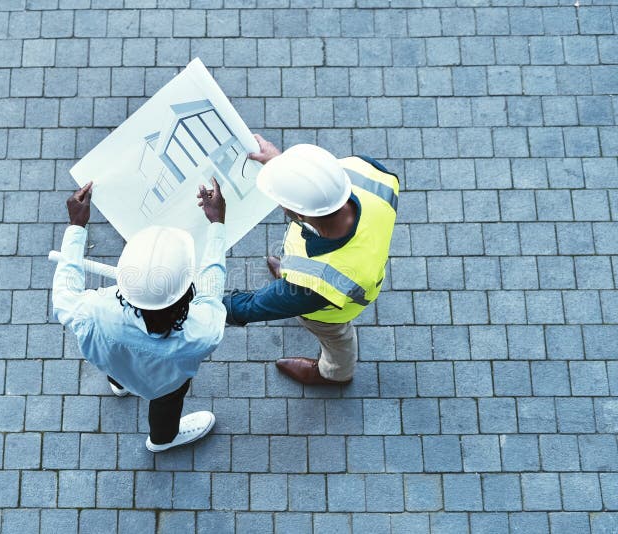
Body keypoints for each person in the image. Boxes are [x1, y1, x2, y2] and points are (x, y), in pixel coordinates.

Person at [52, 178, 227, 452]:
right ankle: (162, 439)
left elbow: (63, 294)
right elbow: (211, 290)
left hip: (112, 361)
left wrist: (76, 227)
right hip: (164, 385)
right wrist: (217, 225)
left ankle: (119, 385)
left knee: (117, 364)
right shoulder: (203, 333)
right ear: (183, 292)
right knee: (166, 406)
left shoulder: (92, 311)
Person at [223, 135, 399, 386]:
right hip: (329, 273)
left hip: (328, 309)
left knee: (337, 338)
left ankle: (335, 373)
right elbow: (318, 185)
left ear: (296, 213)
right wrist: (280, 163)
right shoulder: (365, 170)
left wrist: (192, 306)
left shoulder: (316, 284)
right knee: (294, 279)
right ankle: (289, 273)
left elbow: (251, 307)